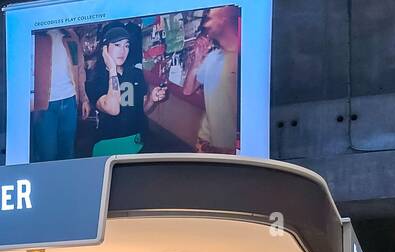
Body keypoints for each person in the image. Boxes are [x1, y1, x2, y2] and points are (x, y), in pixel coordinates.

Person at [86, 22, 167, 156]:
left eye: (126, 45)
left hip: (137, 143)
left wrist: (152, 100)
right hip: (108, 146)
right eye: (117, 45)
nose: (123, 51)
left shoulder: (135, 73)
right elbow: (113, 109)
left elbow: (142, 109)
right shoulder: (95, 80)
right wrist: (112, 69)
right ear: (105, 49)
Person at [182, 5, 240, 153]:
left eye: (210, 19)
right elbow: (188, 90)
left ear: (225, 20)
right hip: (206, 143)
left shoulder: (245, 58)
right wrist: (197, 59)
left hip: (230, 149)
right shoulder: (214, 57)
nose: (206, 25)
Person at [31, 27, 87, 161]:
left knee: (67, 151)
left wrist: (84, 98)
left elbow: (79, 69)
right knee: (47, 153)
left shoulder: (70, 36)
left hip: (69, 100)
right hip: (44, 105)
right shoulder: (35, 37)